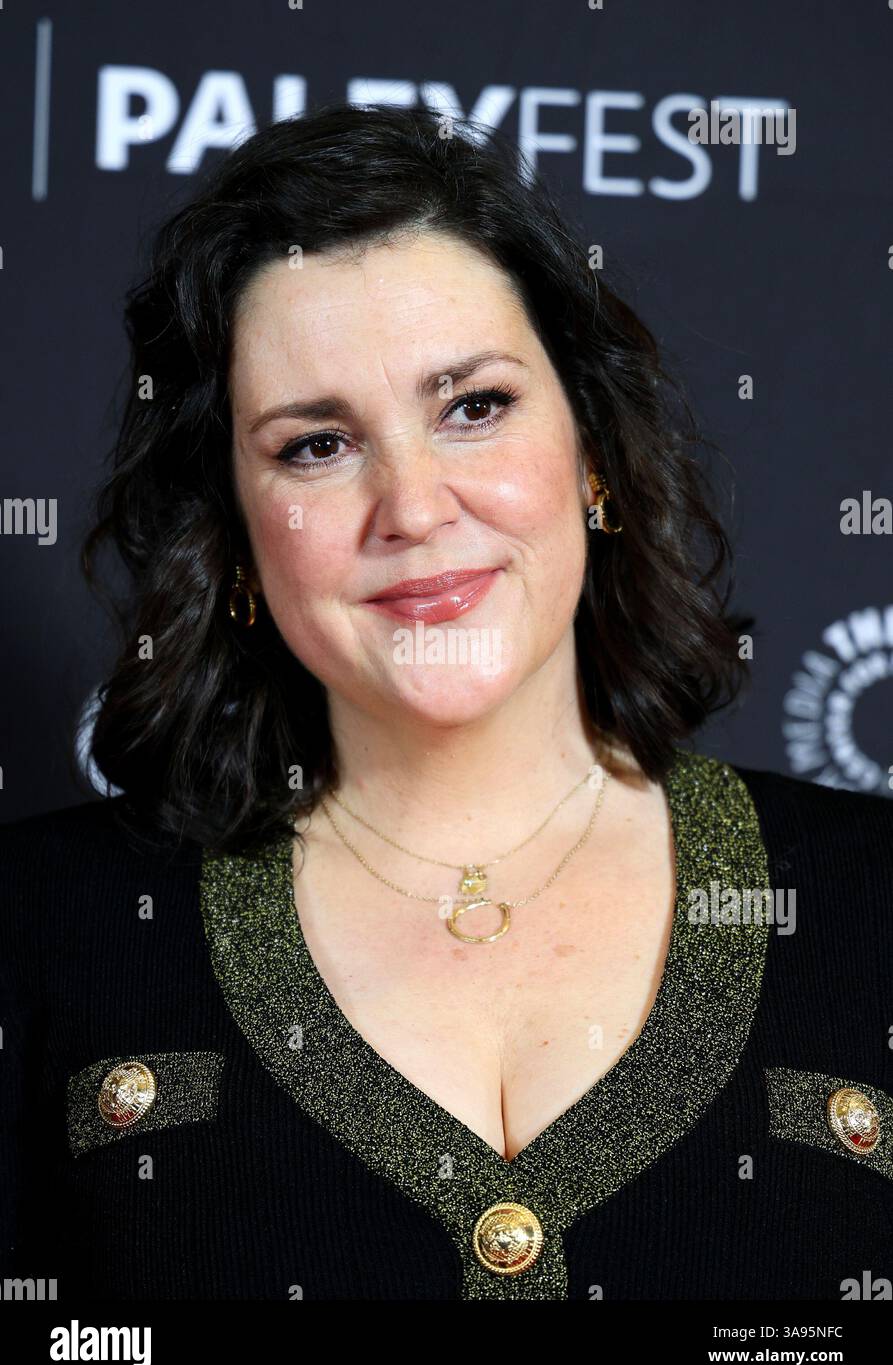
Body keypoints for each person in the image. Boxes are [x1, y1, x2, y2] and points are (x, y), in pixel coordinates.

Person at [1, 103, 891, 1303]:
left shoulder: (870, 901)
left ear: (589, 455)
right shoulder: (42, 929)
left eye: (472, 405)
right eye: (315, 443)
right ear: (233, 529)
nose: (412, 505)